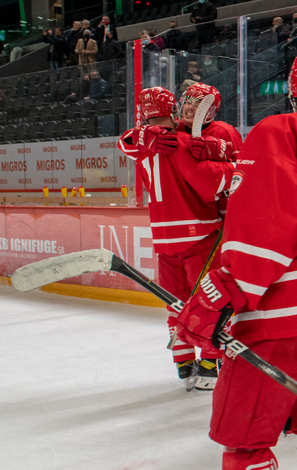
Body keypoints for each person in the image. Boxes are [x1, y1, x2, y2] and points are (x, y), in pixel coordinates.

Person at [174, 42, 297, 470]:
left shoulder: (278, 129)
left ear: (294, 85)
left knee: (247, 441)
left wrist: (218, 295)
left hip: (282, 319)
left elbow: (263, 233)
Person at [116, 87, 235, 391]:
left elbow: (125, 142)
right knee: (208, 302)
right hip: (200, 231)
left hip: (163, 237)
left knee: (175, 303)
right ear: (174, 109)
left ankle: (183, 364)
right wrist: (223, 158)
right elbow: (213, 184)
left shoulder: (142, 145)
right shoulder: (181, 141)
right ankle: (209, 366)